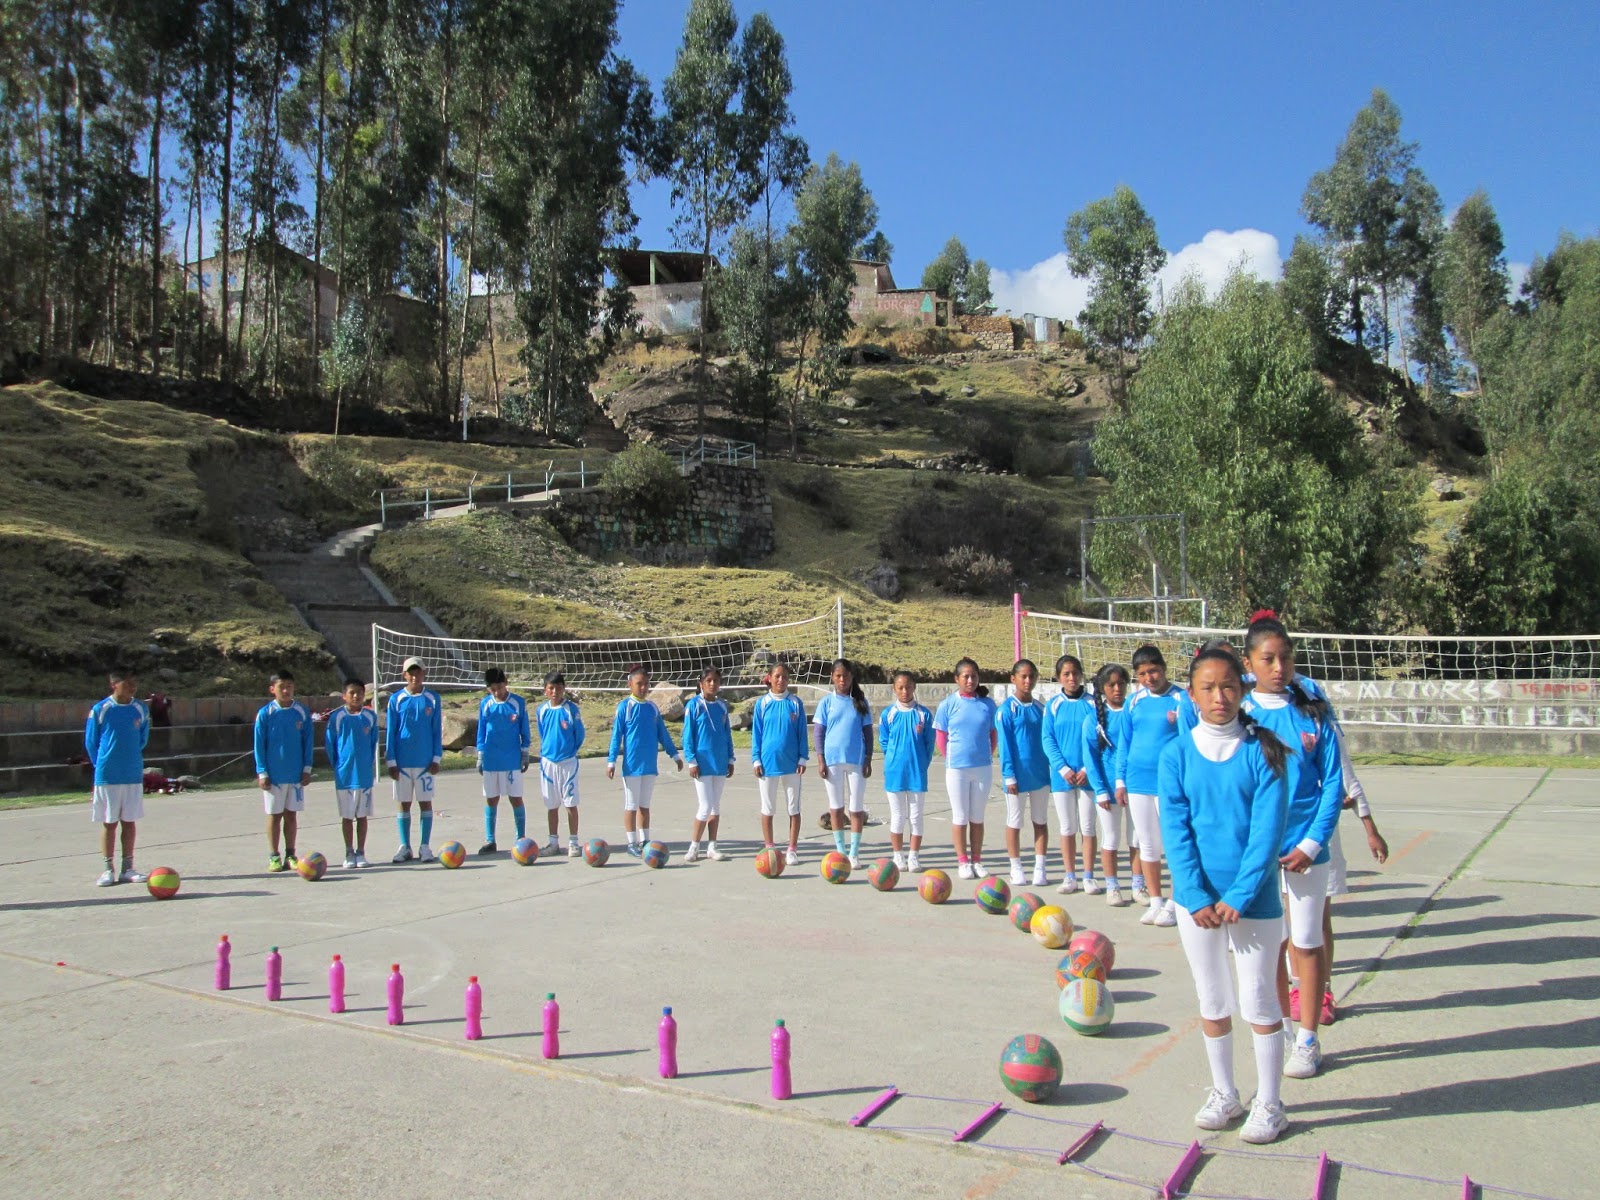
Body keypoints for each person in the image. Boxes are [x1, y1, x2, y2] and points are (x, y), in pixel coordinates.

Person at [1158, 645, 1291, 1145]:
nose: (1220, 696)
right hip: (1197, 903)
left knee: (1259, 999)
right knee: (1212, 997)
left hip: (1253, 901)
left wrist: (1240, 894)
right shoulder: (1176, 755)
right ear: (1191, 695)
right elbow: (1176, 832)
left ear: (1243, 690)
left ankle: (1270, 1103)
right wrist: (1194, 895)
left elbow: (1266, 834)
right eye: (1208, 688)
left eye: (1229, 686)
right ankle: (1225, 1093)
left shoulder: (1265, 751)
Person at [1241, 612, 1345, 1080]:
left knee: (1306, 939)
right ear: (1249, 663)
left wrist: (1313, 842)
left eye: (1286, 657)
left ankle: (1308, 1039)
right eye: (1268, 659)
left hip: (1306, 846)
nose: (1279, 667)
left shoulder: (1313, 711)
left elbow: (1332, 782)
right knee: (1274, 942)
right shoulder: (1240, 714)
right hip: (1259, 849)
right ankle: (1283, 1028)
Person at [1116, 645, 1191, 927]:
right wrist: (1120, 780)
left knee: (1174, 844)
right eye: (1143, 673)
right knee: (1147, 844)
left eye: (1154, 671)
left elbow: (1189, 743)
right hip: (1137, 783)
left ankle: (1175, 903)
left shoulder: (1181, 699)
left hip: (1169, 785)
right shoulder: (1133, 701)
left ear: (1164, 667)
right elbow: (1124, 742)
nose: (1149, 678)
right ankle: (1156, 901)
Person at [605, 665, 682, 857]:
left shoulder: (652, 708)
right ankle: (631, 843)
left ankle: (645, 840)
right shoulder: (625, 707)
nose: (643, 687)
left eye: (646, 684)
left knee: (644, 806)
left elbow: (662, 733)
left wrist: (674, 754)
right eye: (639, 683)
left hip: (649, 766)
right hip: (632, 766)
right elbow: (616, 736)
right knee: (631, 805)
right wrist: (611, 761)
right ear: (630, 684)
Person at [933, 657, 999, 880]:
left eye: (974, 676)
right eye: (966, 676)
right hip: (957, 769)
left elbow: (993, 734)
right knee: (960, 816)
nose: (970, 681)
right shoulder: (948, 705)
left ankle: (977, 860)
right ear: (957, 679)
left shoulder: (988, 705)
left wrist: (986, 755)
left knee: (977, 816)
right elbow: (941, 736)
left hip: (982, 768)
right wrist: (951, 758)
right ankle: (963, 861)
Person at [85, 667, 150, 886]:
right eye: (127, 683)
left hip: (132, 773)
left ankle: (127, 868)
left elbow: (142, 738)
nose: (133, 687)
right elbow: (91, 742)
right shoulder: (101, 709)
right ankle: (107, 869)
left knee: (129, 822)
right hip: (108, 775)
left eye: (135, 683)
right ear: (114, 684)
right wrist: (102, 764)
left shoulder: (140, 708)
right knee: (109, 822)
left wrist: (129, 759)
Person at [1042, 654, 1098, 895]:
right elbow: (1048, 739)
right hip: (1062, 777)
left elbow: (1100, 738)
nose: (1072, 678)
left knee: (1088, 827)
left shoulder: (1093, 703)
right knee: (1067, 827)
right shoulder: (1053, 705)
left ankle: (1089, 876)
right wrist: (1062, 768)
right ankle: (1070, 876)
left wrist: (1087, 768)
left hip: (1088, 776)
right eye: (1066, 674)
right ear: (1059, 678)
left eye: (1075, 673)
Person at [813, 658, 875, 868]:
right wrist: (820, 759)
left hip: (856, 761)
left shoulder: (860, 702)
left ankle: (854, 853)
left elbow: (868, 732)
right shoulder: (826, 703)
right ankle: (840, 850)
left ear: (851, 677)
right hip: (832, 761)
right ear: (832, 677)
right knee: (836, 808)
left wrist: (868, 758)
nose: (842, 680)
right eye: (838, 676)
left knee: (855, 808)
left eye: (846, 676)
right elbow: (819, 733)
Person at [996, 658, 1051, 887]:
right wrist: (1009, 775)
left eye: (1032, 676)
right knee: (1015, 822)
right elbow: (1005, 746)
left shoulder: (1041, 709)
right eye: (1023, 676)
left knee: (1040, 821)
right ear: (1013, 679)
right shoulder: (1006, 710)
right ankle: (1016, 867)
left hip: (1040, 776)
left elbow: (1048, 741)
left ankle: (1040, 868)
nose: (1028, 681)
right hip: (1016, 778)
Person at [1084, 664, 1133, 906]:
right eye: (1111, 685)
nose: (1117, 689)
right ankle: (1113, 886)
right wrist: (1101, 789)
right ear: (1102, 688)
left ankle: (1139, 884)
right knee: (1111, 839)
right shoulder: (1093, 718)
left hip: (1135, 786)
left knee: (1137, 840)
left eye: (1121, 684)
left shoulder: (1134, 710)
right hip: (1108, 788)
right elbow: (1090, 757)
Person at [255, 670, 314, 873]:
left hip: (295, 774)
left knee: (291, 815)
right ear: (272, 689)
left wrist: (307, 768)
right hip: (274, 776)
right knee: (274, 815)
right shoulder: (265, 713)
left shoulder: (302, 712)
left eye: (289, 686)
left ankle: (290, 855)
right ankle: (274, 856)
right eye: (282, 687)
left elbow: (308, 742)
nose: (286, 690)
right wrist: (262, 772)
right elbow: (259, 745)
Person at [750, 659, 809, 865]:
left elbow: (802, 733)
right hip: (768, 765)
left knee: (793, 808)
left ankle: (792, 849)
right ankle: (770, 847)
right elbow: (756, 733)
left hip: (792, 765)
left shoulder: (795, 703)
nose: (781, 680)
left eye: (784, 677)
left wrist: (803, 758)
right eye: (777, 676)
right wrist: (756, 759)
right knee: (768, 808)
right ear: (770, 678)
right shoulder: (762, 703)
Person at [386, 656, 443, 863]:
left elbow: (436, 730)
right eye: (411, 672)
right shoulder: (396, 699)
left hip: (425, 762)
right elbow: (391, 731)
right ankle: (405, 846)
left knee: (425, 803)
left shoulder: (433, 699)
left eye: (418, 672)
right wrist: (391, 761)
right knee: (404, 804)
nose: (414, 676)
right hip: (402, 763)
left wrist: (436, 758)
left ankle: (425, 846)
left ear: (424, 673)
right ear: (404, 675)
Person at [879, 670, 935, 872]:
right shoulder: (888, 714)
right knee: (898, 815)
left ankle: (913, 856)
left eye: (908, 687)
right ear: (894, 689)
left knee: (916, 816)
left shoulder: (923, 714)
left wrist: (921, 764)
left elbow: (929, 744)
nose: (905, 691)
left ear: (914, 688)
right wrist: (893, 760)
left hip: (917, 774)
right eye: (900, 688)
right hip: (894, 773)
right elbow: (884, 741)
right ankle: (898, 855)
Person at [476, 667, 531, 855]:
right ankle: (490, 840)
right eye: (492, 689)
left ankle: (520, 838)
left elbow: (524, 729)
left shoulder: (518, 703)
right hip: (491, 759)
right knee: (491, 799)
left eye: (499, 687)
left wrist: (525, 752)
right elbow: (482, 731)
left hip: (511, 759)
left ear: (505, 683)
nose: (497, 692)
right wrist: (480, 755)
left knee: (515, 798)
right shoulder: (485, 704)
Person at [682, 666, 735, 862]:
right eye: (708, 681)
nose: (712, 684)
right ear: (701, 683)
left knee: (715, 807)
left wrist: (730, 758)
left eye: (716, 681)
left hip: (719, 762)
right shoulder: (694, 705)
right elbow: (687, 736)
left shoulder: (721, 706)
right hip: (702, 764)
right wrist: (691, 761)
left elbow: (727, 734)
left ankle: (712, 846)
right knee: (705, 806)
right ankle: (694, 846)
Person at [326, 678, 378, 868]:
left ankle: (361, 852)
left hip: (363, 776)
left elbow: (373, 743)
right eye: (352, 693)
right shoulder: (337, 717)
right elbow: (330, 744)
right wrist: (339, 766)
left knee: (362, 816)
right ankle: (349, 852)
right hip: (345, 776)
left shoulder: (370, 717)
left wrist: (368, 765)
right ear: (344, 696)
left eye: (359, 693)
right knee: (347, 817)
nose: (356, 696)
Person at [536, 670, 586, 858]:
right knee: (551, 804)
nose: (555, 692)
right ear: (545, 690)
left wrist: (570, 751)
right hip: (548, 763)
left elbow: (579, 734)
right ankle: (553, 843)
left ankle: (573, 842)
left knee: (570, 803)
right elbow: (542, 732)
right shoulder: (542, 710)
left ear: (564, 689)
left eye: (558, 688)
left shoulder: (571, 709)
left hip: (567, 763)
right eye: (551, 688)